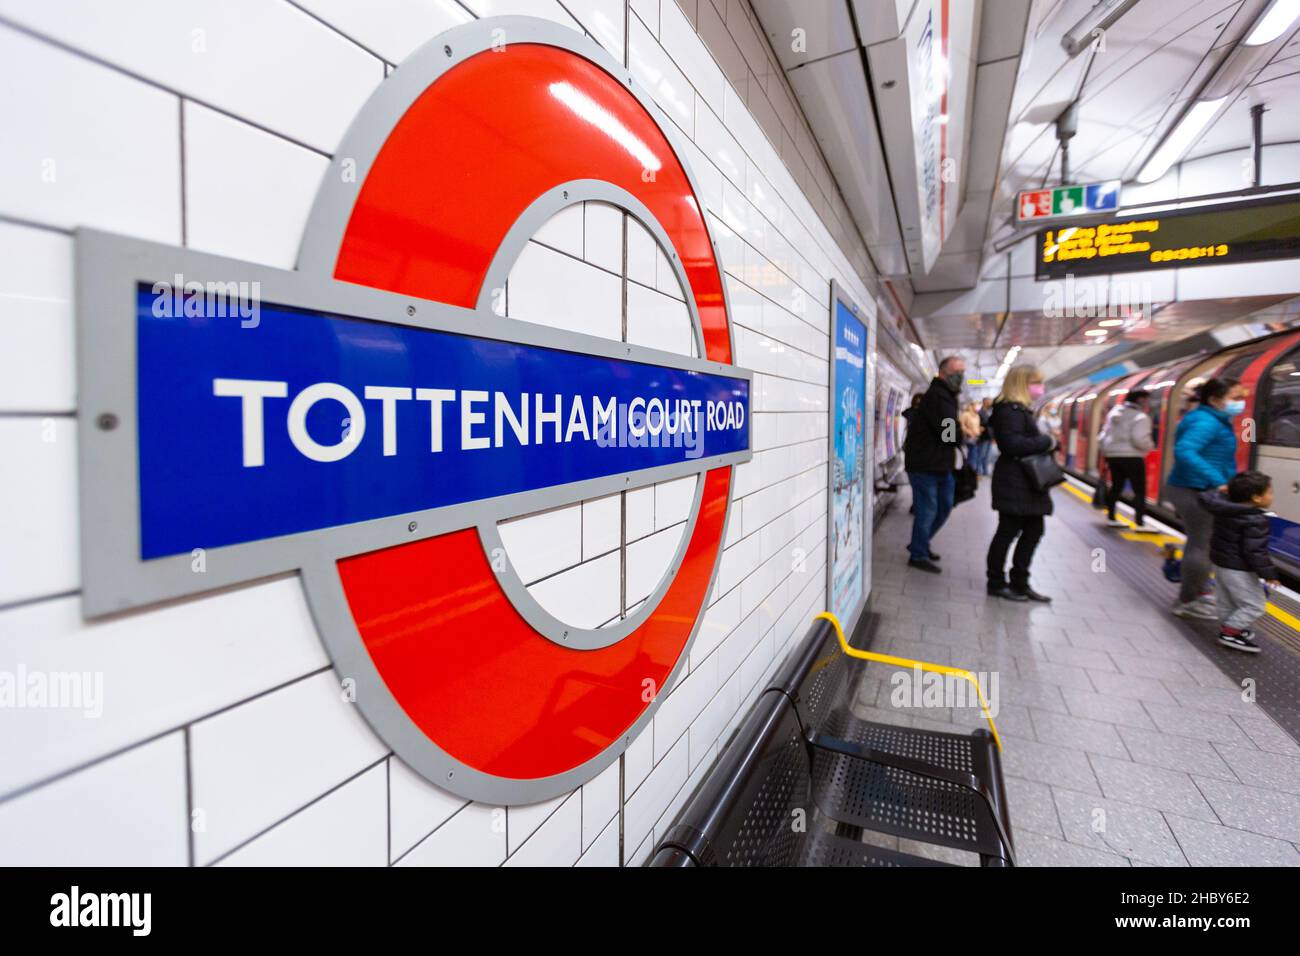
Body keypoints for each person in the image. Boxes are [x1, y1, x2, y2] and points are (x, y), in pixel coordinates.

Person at [1166, 378, 1246, 620]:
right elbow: (1184, 450)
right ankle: (1186, 601)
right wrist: (1216, 480)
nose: (1239, 403)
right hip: (1196, 489)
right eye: (1234, 398)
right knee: (1201, 545)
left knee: (1201, 543)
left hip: (1194, 487)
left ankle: (1198, 592)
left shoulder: (1210, 418)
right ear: (1214, 399)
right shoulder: (1206, 421)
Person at [986, 364, 1054, 602]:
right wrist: (1046, 441)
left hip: (1026, 482)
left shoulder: (1020, 410)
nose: (1040, 388)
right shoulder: (1010, 411)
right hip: (1016, 481)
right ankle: (996, 582)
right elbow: (1011, 445)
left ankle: (1019, 581)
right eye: (1036, 383)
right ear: (1022, 384)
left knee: (1033, 530)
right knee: (1007, 532)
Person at [1200, 471, 1279, 653]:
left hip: (1221, 563)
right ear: (1256, 498)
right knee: (1255, 605)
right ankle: (1230, 633)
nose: (1271, 496)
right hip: (1239, 568)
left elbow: (1205, 497)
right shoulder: (1255, 519)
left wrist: (1220, 490)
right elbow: (1255, 551)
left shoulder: (1224, 507)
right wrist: (1269, 575)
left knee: (1227, 600)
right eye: (1270, 492)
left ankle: (1231, 627)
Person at [903, 356, 966, 573]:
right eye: (956, 371)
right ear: (942, 372)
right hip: (925, 466)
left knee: (943, 507)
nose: (960, 376)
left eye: (962, 372)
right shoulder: (939, 396)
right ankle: (918, 554)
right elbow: (949, 433)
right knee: (929, 510)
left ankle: (919, 543)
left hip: (939, 465)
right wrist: (960, 434)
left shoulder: (947, 395)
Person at [1099, 389, 1155, 530]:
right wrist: (1149, 447)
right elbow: (1139, 439)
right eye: (1147, 400)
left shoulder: (1113, 414)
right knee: (1139, 490)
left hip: (1113, 455)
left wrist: (1108, 451)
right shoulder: (1140, 417)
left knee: (1116, 486)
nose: (1149, 403)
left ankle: (1111, 517)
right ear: (1140, 400)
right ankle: (1140, 522)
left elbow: (1102, 436)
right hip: (1132, 456)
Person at [972, 397, 994, 476]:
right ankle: (978, 470)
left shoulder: (990, 412)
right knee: (981, 454)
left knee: (987, 456)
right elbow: (980, 424)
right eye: (989, 401)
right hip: (983, 437)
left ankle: (985, 471)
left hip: (989, 436)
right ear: (985, 402)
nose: (991, 403)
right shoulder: (980, 412)